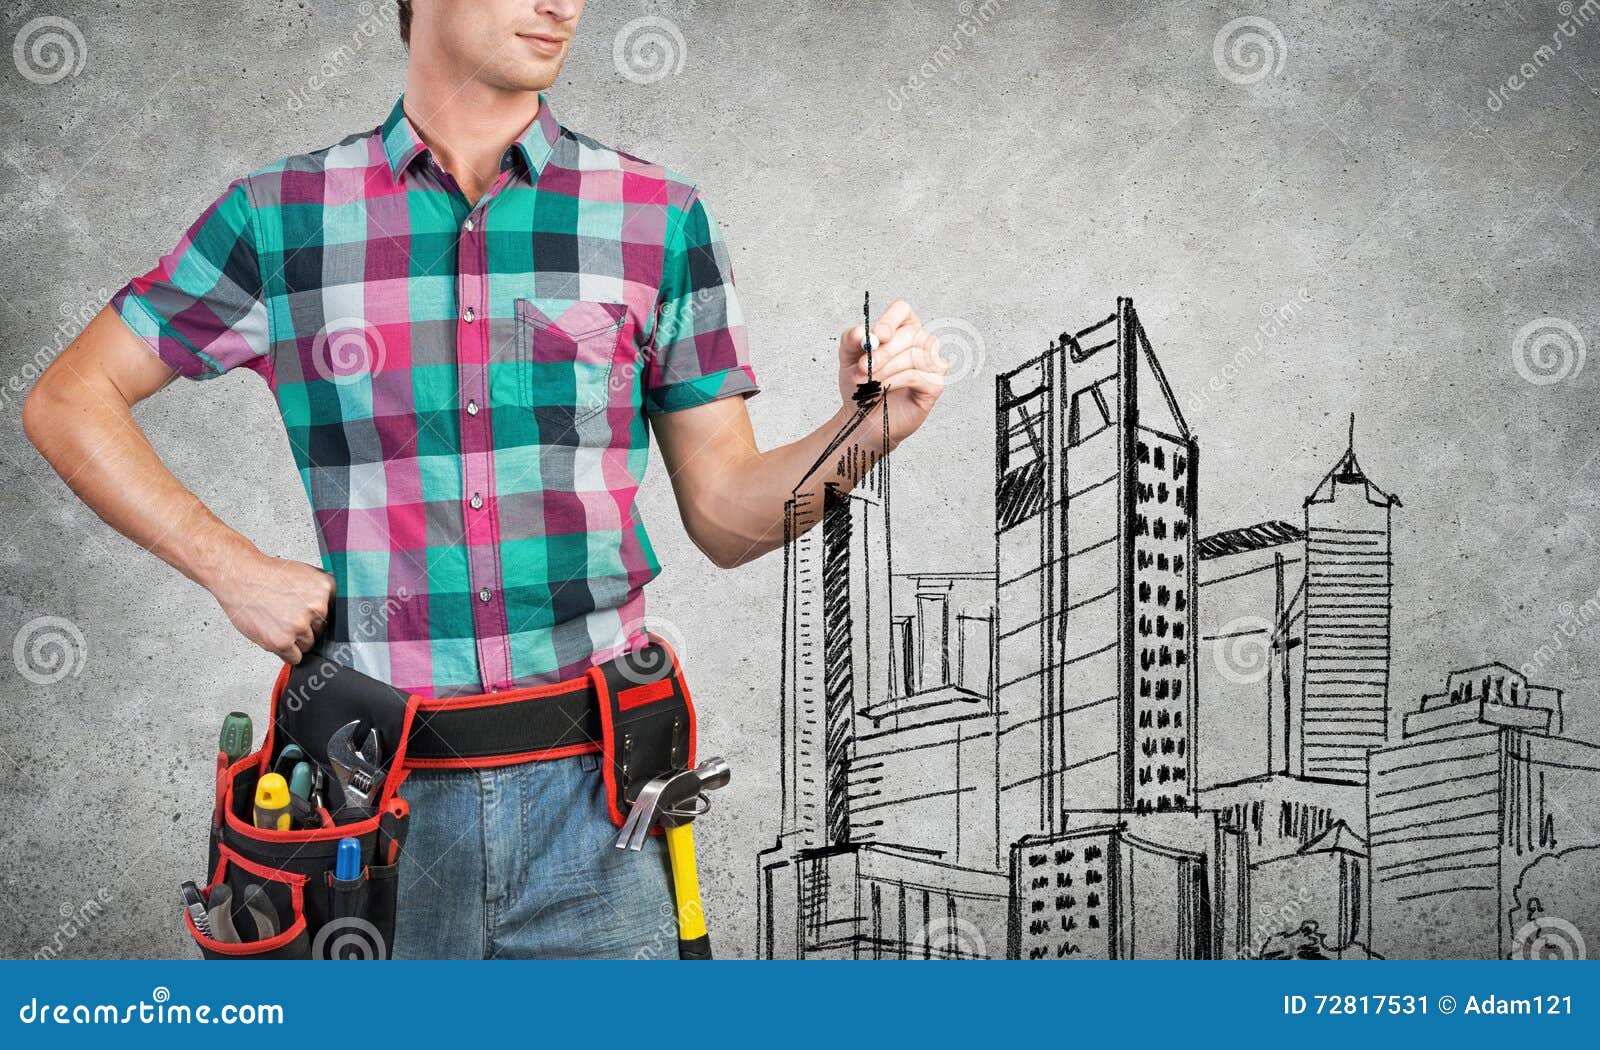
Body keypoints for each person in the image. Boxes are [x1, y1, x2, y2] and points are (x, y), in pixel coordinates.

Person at [22, 0, 947, 959]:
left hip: (601, 817)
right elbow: (69, 397)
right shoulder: (280, 216)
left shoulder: (655, 218)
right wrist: (229, 566)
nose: (566, 5)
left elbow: (724, 512)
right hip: (366, 812)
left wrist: (864, 431)